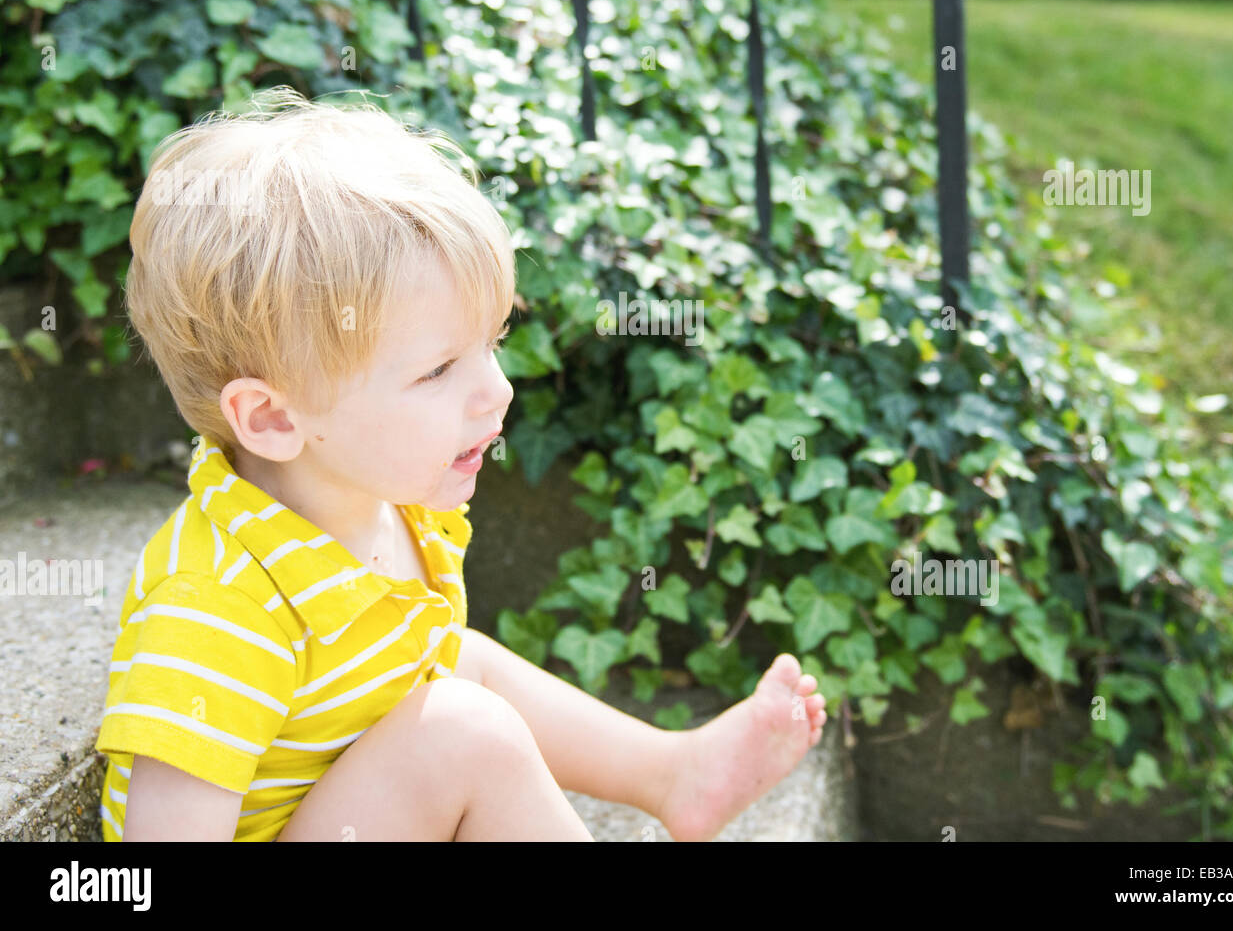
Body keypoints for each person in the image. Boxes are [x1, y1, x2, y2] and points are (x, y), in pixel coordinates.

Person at [95, 86, 827, 842]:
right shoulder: (220, 607)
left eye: (493, 341)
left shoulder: (387, 504)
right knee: (461, 732)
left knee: (456, 668)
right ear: (275, 418)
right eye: (439, 368)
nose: (497, 391)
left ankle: (673, 775)